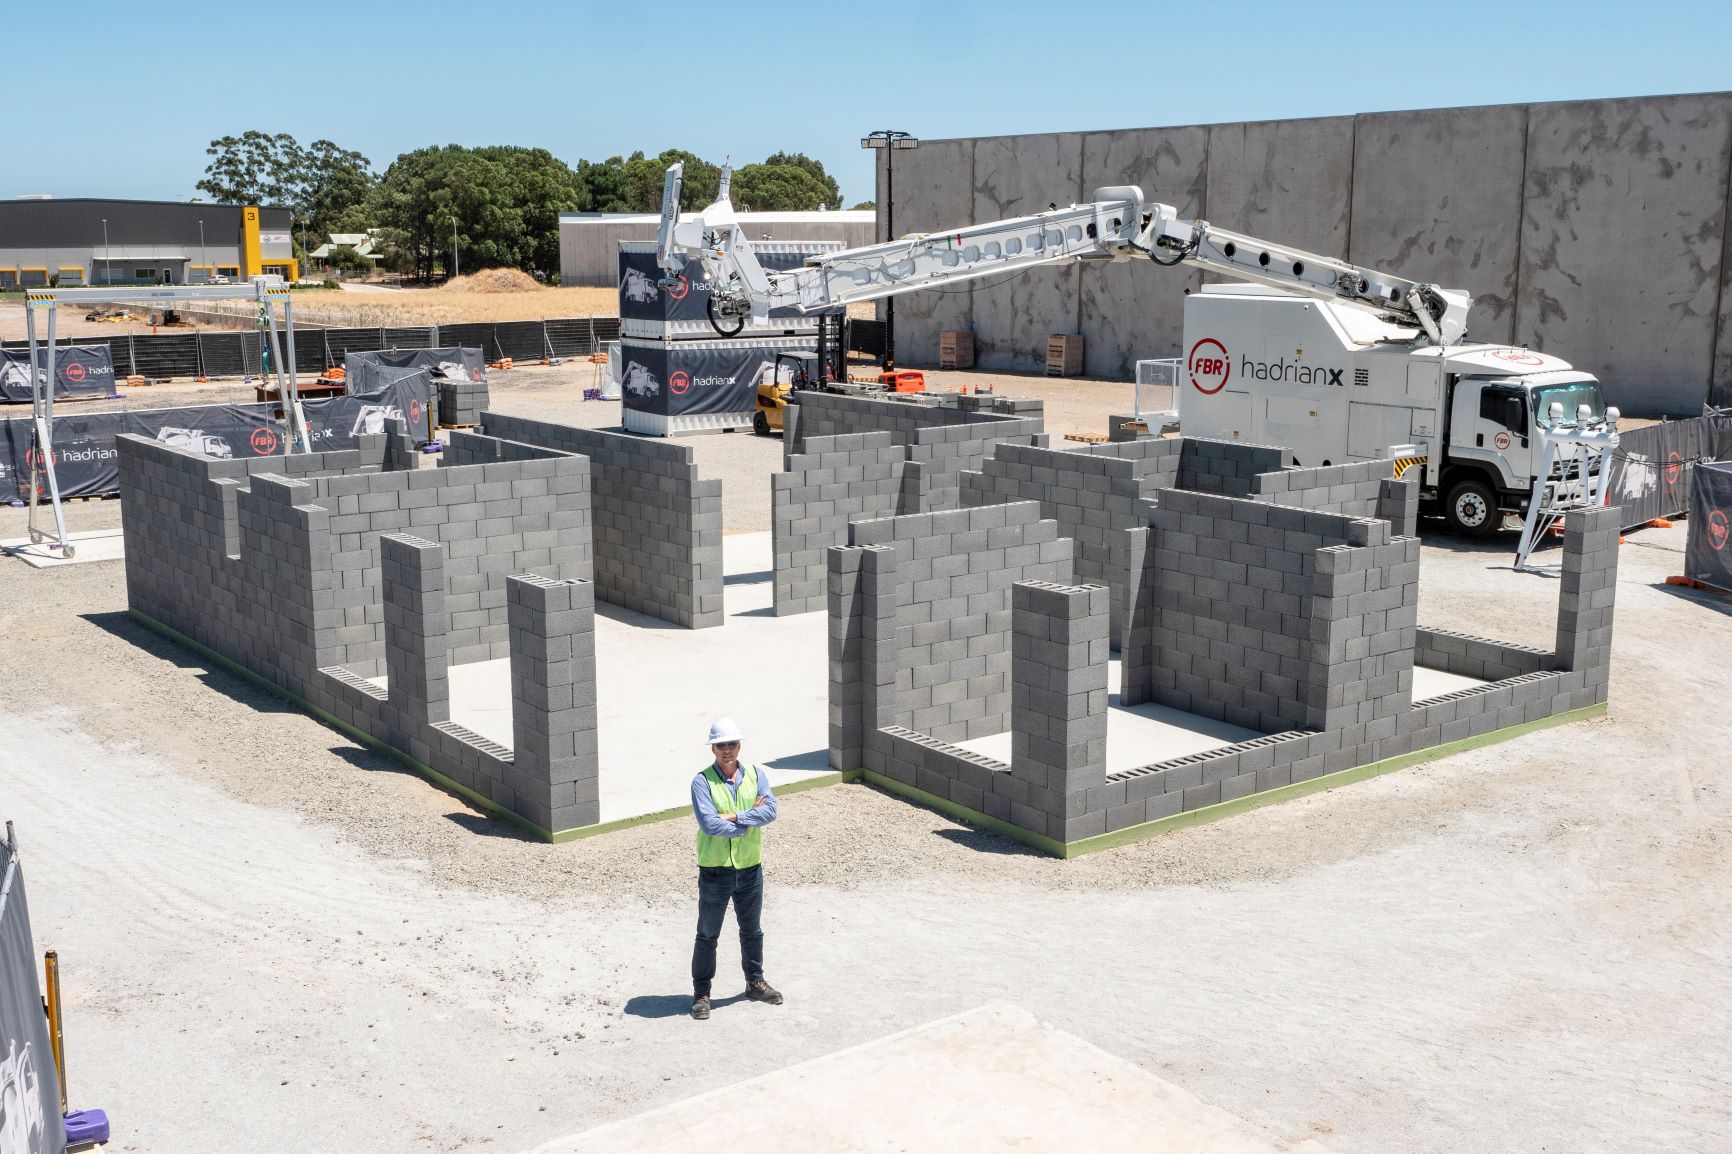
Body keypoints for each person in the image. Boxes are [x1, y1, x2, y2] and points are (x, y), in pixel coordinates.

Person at [689, 717, 783, 1020]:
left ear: (739, 745)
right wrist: (747, 820)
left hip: (749, 868)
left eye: (731, 744)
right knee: (707, 934)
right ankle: (701, 993)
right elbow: (709, 823)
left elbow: (770, 811)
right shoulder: (702, 781)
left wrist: (732, 816)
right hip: (716, 870)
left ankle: (755, 982)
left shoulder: (756, 775)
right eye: (721, 745)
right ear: (713, 748)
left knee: (752, 930)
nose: (727, 749)